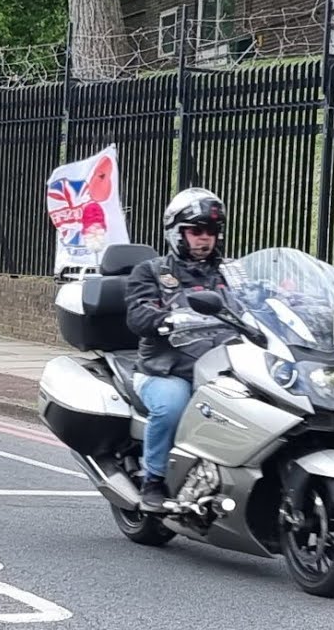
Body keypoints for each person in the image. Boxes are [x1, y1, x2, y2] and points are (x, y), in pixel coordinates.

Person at [125, 187, 229, 513]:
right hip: (166, 369)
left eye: (211, 231)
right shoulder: (153, 271)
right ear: (176, 232)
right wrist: (167, 318)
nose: (204, 238)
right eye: (196, 231)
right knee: (171, 407)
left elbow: (263, 300)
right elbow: (138, 313)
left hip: (223, 365)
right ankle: (153, 481)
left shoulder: (232, 272)